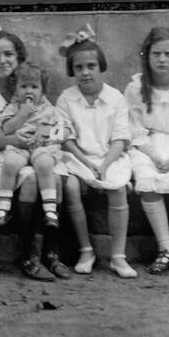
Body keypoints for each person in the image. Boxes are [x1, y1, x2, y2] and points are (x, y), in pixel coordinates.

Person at [0, 29, 48, 279]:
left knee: (35, 177)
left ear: (19, 57)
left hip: (26, 150)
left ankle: (34, 254)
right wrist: (14, 139)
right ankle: (27, 253)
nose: (2, 60)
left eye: (8, 54)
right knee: (25, 176)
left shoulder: (29, 84)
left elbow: (44, 120)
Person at [57, 38, 135, 278]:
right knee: (70, 187)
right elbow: (66, 139)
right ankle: (86, 250)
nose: (85, 72)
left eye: (91, 66)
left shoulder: (115, 98)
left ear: (100, 67)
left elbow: (120, 139)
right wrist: (88, 163)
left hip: (109, 157)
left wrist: (104, 164)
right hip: (77, 157)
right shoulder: (66, 98)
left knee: (118, 188)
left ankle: (118, 257)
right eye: (79, 68)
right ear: (72, 70)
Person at [124, 27, 169, 274]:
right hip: (147, 144)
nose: (162, 59)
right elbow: (134, 128)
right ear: (147, 55)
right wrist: (152, 154)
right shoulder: (137, 87)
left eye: (168, 54)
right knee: (147, 179)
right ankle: (165, 248)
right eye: (156, 53)